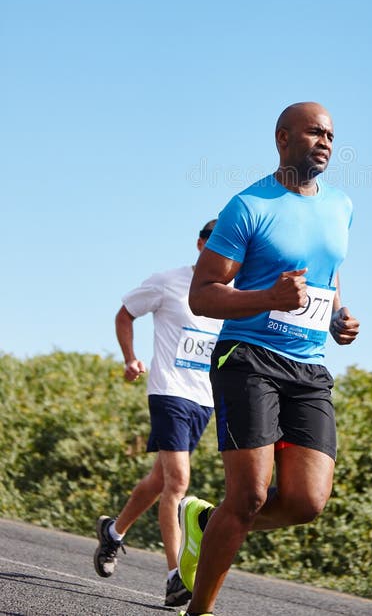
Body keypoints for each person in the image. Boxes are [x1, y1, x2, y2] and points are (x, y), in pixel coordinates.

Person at [176, 102, 360, 616]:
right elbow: (203, 295)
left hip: (309, 365)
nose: (324, 141)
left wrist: (337, 316)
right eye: (313, 132)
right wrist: (267, 299)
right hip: (248, 356)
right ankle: (200, 610)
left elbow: (327, 274)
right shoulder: (249, 205)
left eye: (330, 134)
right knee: (251, 496)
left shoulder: (341, 205)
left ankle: (209, 524)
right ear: (282, 138)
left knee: (306, 502)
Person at [93, 221, 222, 609]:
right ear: (201, 245)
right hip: (168, 391)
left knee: (158, 479)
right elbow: (124, 314)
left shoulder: (233, 295)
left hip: (204, 400)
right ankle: (175, 578)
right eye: (217, 246)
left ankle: (113, 532)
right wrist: (130, 358)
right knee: (178, 482)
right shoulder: (168, 281)